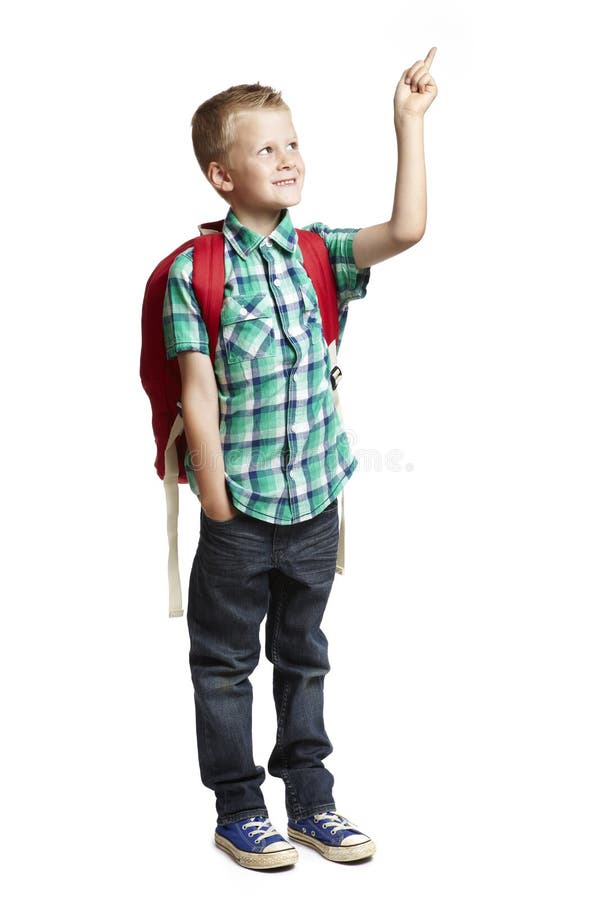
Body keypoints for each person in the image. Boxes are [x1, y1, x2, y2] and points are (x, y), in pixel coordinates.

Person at [162, 48, 438, 870]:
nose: (288, 159)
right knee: (222, 666)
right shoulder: (195, 273)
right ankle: (240, 808)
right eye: (266, 148)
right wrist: (214, 502)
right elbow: (198, 396)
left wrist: (408, 124)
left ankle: (311, 802)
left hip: (316, 504)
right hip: (239, 510)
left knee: (305, 655)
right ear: (221, 174)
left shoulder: (320, 255)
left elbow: (409, 230)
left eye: (293, 144)